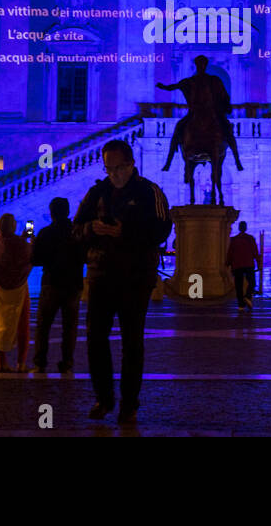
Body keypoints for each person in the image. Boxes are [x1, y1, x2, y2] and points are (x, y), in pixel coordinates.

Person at [72, 138, 173, 424]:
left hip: (135, 277)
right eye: (109, 169)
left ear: (131, 165)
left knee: (132, 341)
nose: (114, 174)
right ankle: (104, 398)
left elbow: (162, 228)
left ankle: (129, 404)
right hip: (101, 274)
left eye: (118, 168)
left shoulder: (149, 191)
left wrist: (125, 232)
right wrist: (92, 228)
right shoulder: (97, 192)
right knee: (95, 339)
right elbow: (75, 230)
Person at [157, 55, 244, 171]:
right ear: (196, 66)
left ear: (205, 65)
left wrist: (225, 106)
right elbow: (174, 86)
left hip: (212, 113)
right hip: (194, 113)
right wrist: (163, 87)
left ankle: (237, 160)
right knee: (178, 129)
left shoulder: (214, 80)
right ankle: (169, 161)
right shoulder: (190, 81)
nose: (200, 67)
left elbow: (224, 94)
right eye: (199, 64)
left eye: (202, 64)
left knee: (228, 130)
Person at [31, 197, 86, 373]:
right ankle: (67, 363)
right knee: (70, 328)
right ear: (68, 212)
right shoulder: (76, 232)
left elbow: (36, 260)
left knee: (43, 326)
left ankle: (40, 363)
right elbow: (84, 257)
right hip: (73, 283)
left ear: (52, 212)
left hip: (51, 283)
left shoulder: (46, 233)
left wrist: (34, 247)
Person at [0, 214, 33, 372]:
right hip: (19, 288)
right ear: (13, 225)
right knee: (22, 326)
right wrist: (28, 238)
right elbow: (31, 257)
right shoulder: (21, 243)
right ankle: (21, 363)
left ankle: (2, 363)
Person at [226, 221, 261, 310]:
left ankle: (241, 305)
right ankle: (248, 296)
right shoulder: (250, 239)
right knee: (252, 282)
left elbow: (230, 252)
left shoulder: (234, 240)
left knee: (238, 285)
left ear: (239, 228)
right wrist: (259, 263)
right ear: (245, 228)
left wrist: (227, 263)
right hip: (248, 264)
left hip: (237, 265)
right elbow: (255, 252)